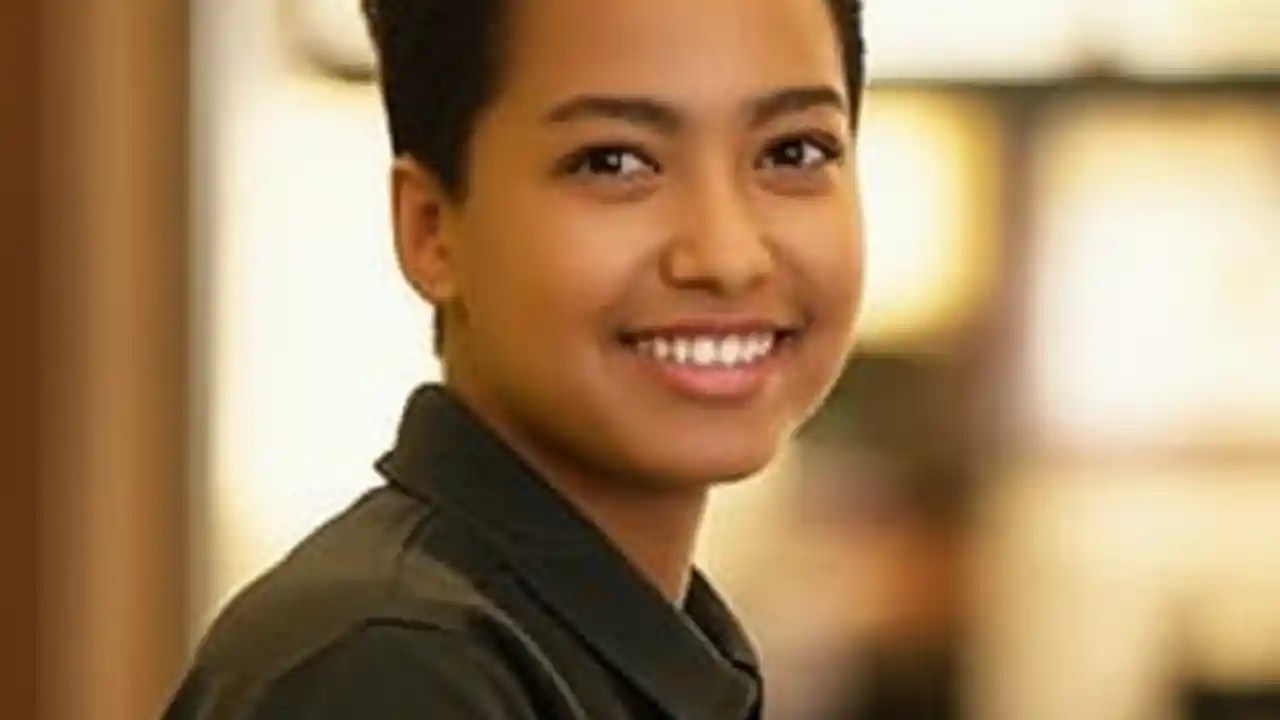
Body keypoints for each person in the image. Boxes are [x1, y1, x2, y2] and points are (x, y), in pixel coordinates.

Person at [163, 0, 866, 717]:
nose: (726, 256)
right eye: (613, 161)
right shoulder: (395, 669)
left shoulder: (610, 647)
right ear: (431, 230)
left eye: (794, 153)